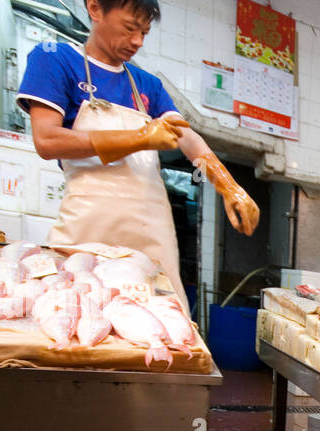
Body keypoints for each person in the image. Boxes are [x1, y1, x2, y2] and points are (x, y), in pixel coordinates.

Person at [16, 0, 259, 313]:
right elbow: (47, 140)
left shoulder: (148, 85)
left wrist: (227, 185)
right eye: (130, 28)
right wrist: (139, 137)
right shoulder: (56, 59)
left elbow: (188, 137)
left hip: (150, 235)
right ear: (94, 7)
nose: (137, 41)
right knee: (83, 314)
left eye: (144, 32)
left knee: (163, 325)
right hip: (89, 230)